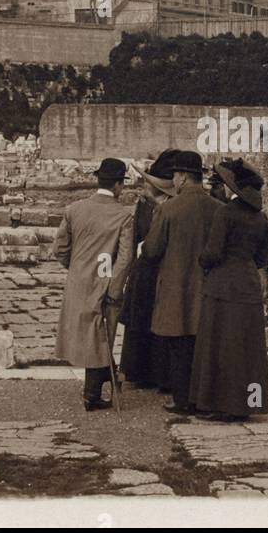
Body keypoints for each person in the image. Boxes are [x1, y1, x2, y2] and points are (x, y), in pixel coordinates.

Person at [189, 158, 268, 421]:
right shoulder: (262, 219)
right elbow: (261, 259)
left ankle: (220, 404)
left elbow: (213, 252)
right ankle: (246, 404)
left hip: (222, 286)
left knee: (220, 346)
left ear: (233, 189)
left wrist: (202, 261)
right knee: (245, 348)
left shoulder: (224, 213)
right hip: (248, 286)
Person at [51, 156, 136, 410]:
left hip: (78, 282)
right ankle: (94, 391)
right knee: (102, 337)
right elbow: (125, 258)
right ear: (119, 185)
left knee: (91, 338)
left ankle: (93, 391)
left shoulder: (74, 209)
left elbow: (60, 248)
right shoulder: (123, 216)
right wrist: (115, 286)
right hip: (105, 282)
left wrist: (76, 268)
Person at [141, 150, 218, 414]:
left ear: (183, 177)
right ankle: (203, 398)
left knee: (178, 347)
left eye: (175, 175)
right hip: (208, 287)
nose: (173, 180)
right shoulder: (218, 209)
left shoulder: (168, 209)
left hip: (175, 286)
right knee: (203, 346)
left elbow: (151, 250)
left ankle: (181, 399)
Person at [119, 153, 176, 387]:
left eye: (147, 182)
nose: (143, 186)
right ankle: (139, 371)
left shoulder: (162, 208)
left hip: (154, 267)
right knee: (142, 320)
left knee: (152, 320)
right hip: (146, 269)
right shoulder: (144, 205)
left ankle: (149, 372)